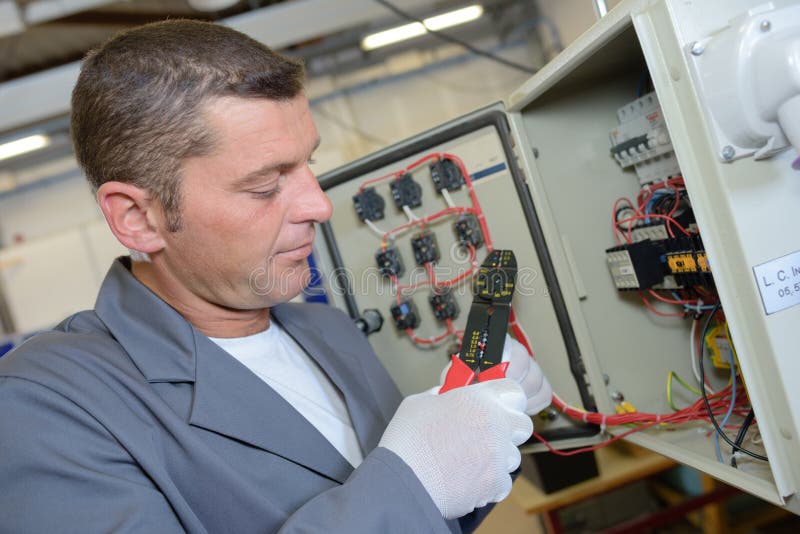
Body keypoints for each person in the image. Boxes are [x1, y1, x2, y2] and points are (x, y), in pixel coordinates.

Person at [0, 19, 551, 533]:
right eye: (266, 185)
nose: (318, 204)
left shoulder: (327, 331)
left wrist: (476, 438)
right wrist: (415, 485)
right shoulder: (43, 406)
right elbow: (408, 497)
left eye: (308, 164)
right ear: (138, 219)